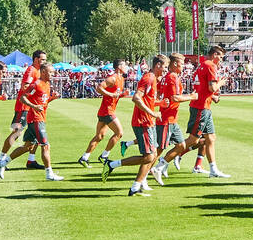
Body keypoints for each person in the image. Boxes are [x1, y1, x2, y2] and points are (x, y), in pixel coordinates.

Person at [100, 55, 165, 196]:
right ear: (158, 65)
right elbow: (136, 98)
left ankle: (136, 186)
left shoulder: (153, 79)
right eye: (164, 66)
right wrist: (153, 113)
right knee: (149, 156)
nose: (165, 70)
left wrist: (159, 104)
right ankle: (112, 165)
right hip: (143, 122)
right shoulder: (149, 78)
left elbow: (147, 101)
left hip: (148, 121)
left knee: (152, 155)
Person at [171, 46, 230, 178]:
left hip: (202, 104)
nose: (221, 59)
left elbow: (201, 87)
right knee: (194, 139)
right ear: (215, 54)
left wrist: (212, 96)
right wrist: (221, 83)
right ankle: (165, 160)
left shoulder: (201, 65)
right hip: (201, 106)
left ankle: (211, 169)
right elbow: (212, 86)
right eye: (220, 56)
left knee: (210, 138)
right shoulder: (211, 66)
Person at [0, 64, 63, 181]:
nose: (53, 75)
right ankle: (49, 174)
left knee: (27, 146)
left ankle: (3, 163)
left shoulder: (47, 84)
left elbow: (43, 102)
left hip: (39, 118)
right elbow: (22, 97)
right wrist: (33, 106)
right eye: (51, 72)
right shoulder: (36, 84)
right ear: (43, 72)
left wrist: (53, 98)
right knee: (46, 146)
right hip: (35, 119)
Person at [151, 55, 193, 182]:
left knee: (181, 145)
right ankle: (144, 175)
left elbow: (160, 94)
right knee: (158, 150)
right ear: (174, 64)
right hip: (166, 119)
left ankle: (159, 167)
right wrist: (192, 96)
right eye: (182, 63)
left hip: (171, 119)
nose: (184, 66)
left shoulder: (167, 77)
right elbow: (175, 97)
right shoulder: (173, 77)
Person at [79, 60, 128, 167]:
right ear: (119, 67)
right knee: (119, 133)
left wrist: (123, 95)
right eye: (124, 65)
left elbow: (116, 95)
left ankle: (84, 158)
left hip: (105, 111)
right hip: (107, 111)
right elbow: (99, 87)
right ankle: (104, 156)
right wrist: (111, 94)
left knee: (99, 136)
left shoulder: (122, 79)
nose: (127, 67)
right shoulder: (113, 78)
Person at [0, 53, 45, 168]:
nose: (44, 62)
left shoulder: (38, 71)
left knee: (36, 134)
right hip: (24, 107)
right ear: (36, 59)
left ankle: (31, 160)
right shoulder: (31, 70)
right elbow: (25, 87)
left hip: (31, 108)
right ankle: (1, 158)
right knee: (16, 133)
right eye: (42, 59)